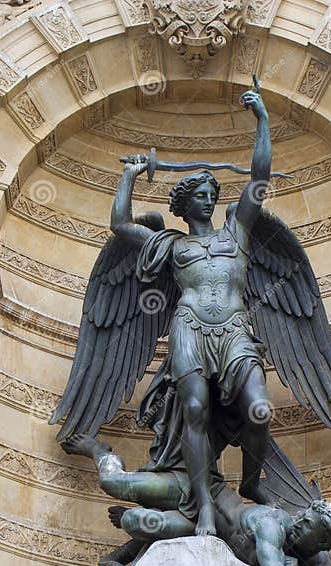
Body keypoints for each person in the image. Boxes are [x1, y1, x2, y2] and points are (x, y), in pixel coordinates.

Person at [110, 85, 272, 537]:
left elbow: (260, 176)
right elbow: (121, 225)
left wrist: (262, 120)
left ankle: (252, 483)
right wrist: (130, 176)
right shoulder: (172, 245)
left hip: (234, 328)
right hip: (189, 327)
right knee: (195, 408)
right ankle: (202, 507)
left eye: (210, 192)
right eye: (198, 193)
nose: (207, 198)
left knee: (259, 410)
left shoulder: (236, 232)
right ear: (183, 205)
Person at [63, 434, 331, 566]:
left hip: (197, 531)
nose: (298, 521)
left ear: (322, 541)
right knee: (113, 482)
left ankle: (132, 541)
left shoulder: (318, 560)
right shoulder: (271, 524)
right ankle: (101, 452)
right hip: (196, 492)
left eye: (307, 524)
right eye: (303, 516)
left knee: (134, 522)